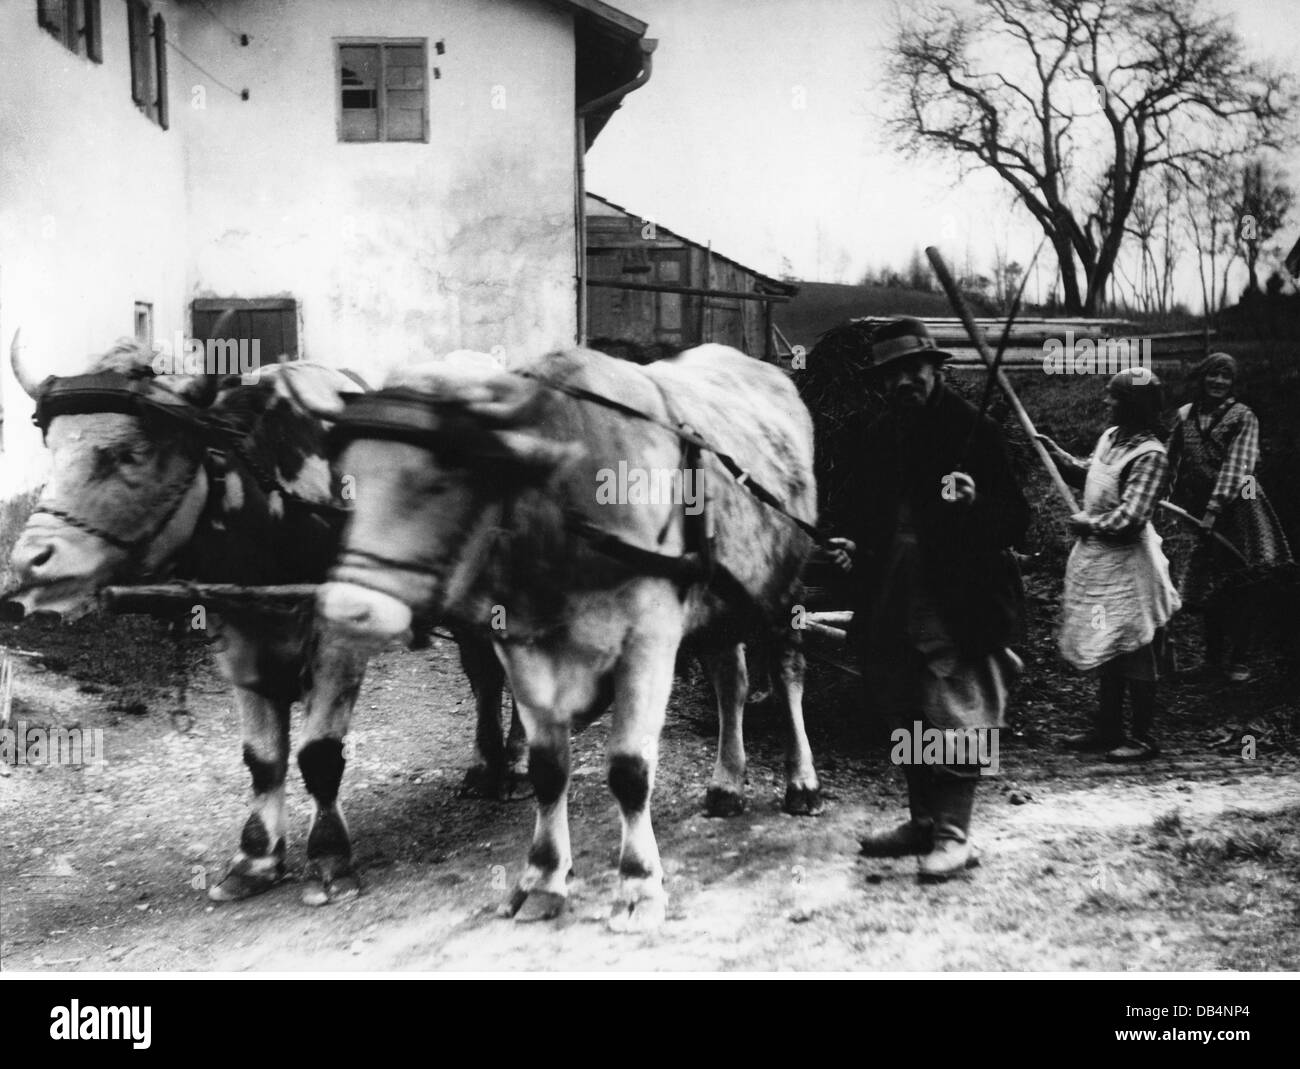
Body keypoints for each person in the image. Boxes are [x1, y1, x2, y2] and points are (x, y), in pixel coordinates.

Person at [844, 317, 1029, 881]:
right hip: (893, 588)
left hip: (957, 592)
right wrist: (854, 546)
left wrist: (976, 502)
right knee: (906, 705)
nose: (903, 382)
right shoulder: (878, 435)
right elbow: (868, 516)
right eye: (892, 375)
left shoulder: (972, 431)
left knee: (955, 710)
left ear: (933, 369)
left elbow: (1016, 523)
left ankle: (954, 837)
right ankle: (922, 821)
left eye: (912, 370)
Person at [1037, 368, 1180, 762]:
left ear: (1135, 405)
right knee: (1109, 646)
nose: (1106, 402)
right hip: (1098, 565)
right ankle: (1107, 728)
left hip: (1130, 568)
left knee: (1134, 647)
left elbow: (1132, 518)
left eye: (1114, 397)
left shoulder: (1151, 456)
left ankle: (1142, 737)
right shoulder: (1111, 439)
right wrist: (1057, 455)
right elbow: (1092, 473)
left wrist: (1091, 523)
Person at [1166, 352, 1293, 683]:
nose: (1218, 382)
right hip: (1204, 510)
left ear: (1233, 383)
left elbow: (1238, 468)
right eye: (1213, 375)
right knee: (1209, 582)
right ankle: (1211, 660)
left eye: (1226, 377)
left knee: (1244, 578)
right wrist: (1161, 495)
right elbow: (1170, 461)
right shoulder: (1185, 417)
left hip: (1242, 503)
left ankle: (1240, 660)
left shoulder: (1243, 417)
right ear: (1202, 377)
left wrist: (1213, 509)